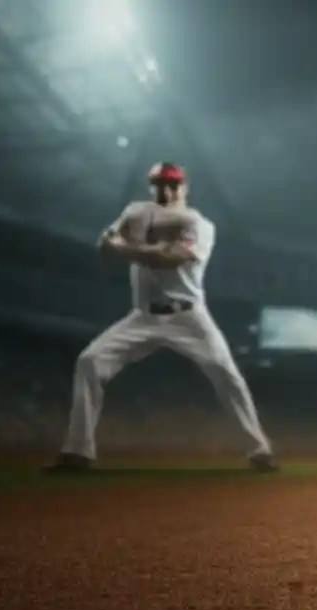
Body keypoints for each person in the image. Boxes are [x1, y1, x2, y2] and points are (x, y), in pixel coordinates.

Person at [45, 162, 278, 473]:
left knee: (227, 375)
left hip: (189, 317)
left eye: (173, 184)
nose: (166, 190)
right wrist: (130, 246)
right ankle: (77, 452)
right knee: (89, 361)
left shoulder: (198, 223)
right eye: (159, 184)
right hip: (143, 316)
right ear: (150, 185)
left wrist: (126, 247)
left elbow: (169, 259)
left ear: (185, 187)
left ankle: (259, 450)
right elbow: (104, 246)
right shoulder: (135, 211)